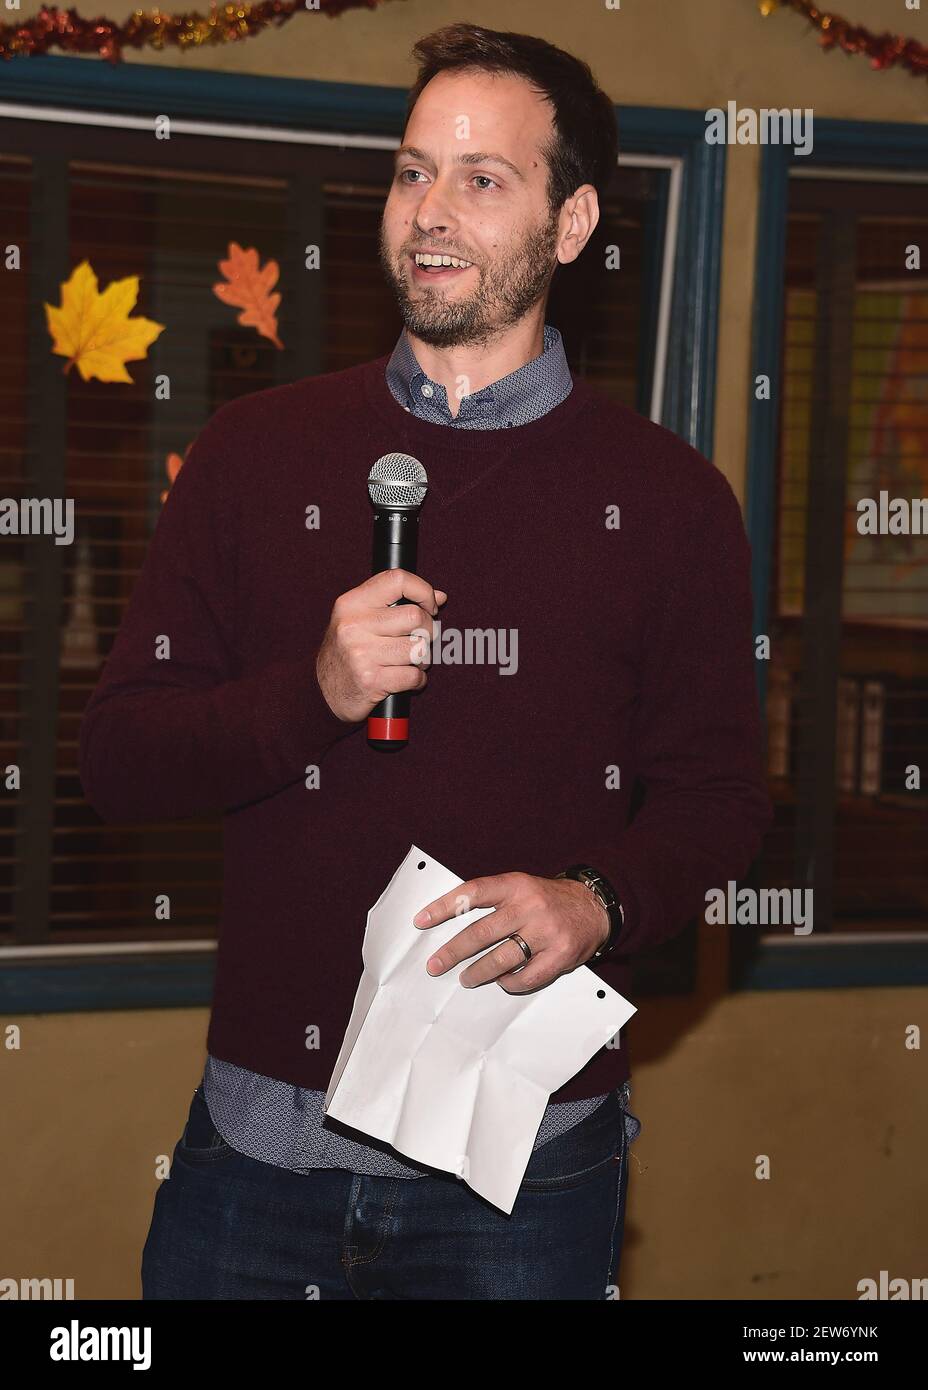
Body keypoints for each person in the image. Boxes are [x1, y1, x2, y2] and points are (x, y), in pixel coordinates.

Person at [80, 22, 773, 1300]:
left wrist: (595, 901)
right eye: (411, 173)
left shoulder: (669, 500)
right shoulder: (253, 453)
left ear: (571, 226)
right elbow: (120, 761)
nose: (430, 214)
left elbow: (722, 799)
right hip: (256, 1162)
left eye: (481, 179)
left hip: (524, 1175)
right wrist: (315, 695)